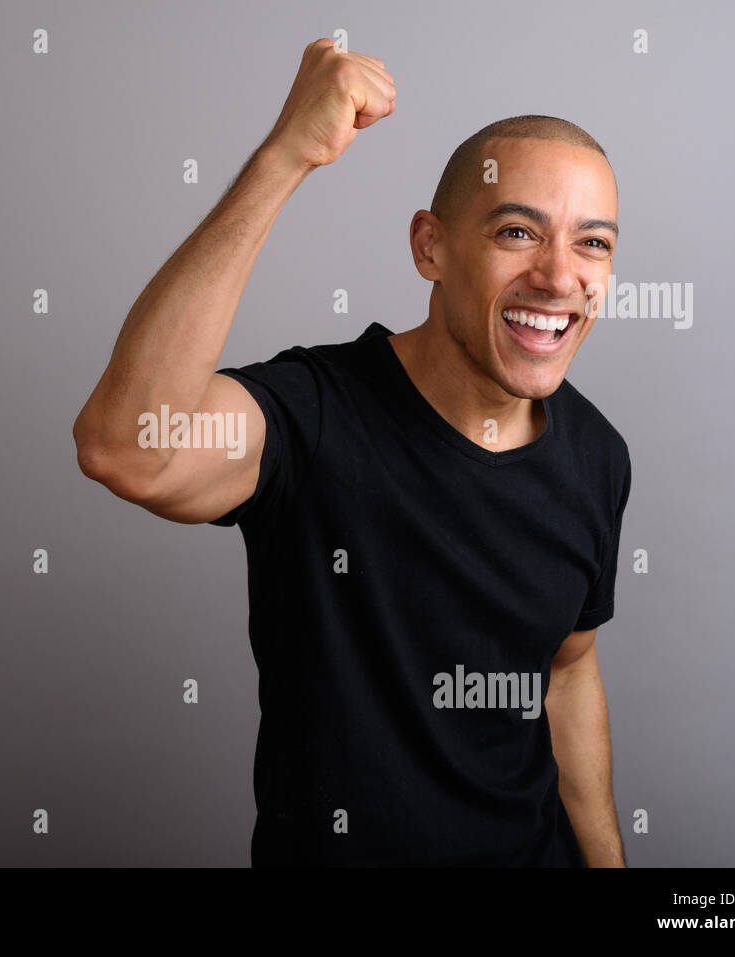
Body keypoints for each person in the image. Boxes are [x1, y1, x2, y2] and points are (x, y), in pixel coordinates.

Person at [72, 37, 631, 867]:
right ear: (430, 248)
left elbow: (567, 670)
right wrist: (285, 155)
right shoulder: (315, 416)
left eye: (593, 243)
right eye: (519, 231)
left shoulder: (597, 454)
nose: (559, 276)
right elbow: (126, 448)